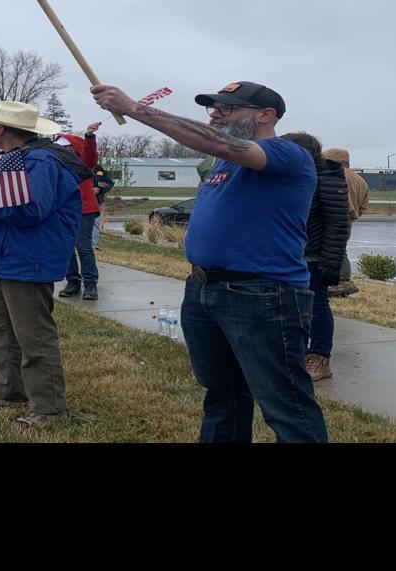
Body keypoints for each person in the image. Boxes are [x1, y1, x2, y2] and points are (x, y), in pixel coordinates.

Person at [92, 80, 326, 443]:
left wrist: (136, 108)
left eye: (228, 108)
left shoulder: (287, 153)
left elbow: (217, 142)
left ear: (266, 115)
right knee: (223, 397)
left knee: (286, 404)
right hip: (204, 289)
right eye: (213, 107)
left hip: (262, 295)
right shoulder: (223, 164)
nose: (216, 113)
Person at [0, 101, 87, 428]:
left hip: (26, 261)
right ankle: (7, 390)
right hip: (2, 260)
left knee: (34, 336)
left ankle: (49, 409)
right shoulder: (11, 161)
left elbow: (27, 210)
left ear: (3, 130)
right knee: (1, 329)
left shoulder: (41, 162)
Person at [279, 133, 351, 383]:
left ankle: (319, 357)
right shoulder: (288, 178)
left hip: (313, 257)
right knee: (285, 308)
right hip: (285, 255)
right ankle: (293, 355)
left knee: (316, 307)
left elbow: (338, 224)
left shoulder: (325, 179)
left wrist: (330, 264)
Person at [56, 121, 104, 300]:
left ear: (73, 149)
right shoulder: (56, 164)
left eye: (66, 148)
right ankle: (73, 282)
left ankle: (90, 284)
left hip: (85, 209)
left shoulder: (83, 163)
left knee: (83, 247)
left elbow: (91, 155)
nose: (62, 151)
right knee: (67, 248)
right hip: (63, 210)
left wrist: (89, 136)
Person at [322, 147, 369, 296]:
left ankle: (343, 281)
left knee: (333, 249)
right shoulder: (360, 180)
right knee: (340, 248)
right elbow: (364, 205)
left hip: (332, 215)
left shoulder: (334, 174)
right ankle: (341, 280)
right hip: (349, 218)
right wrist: (354, 215)